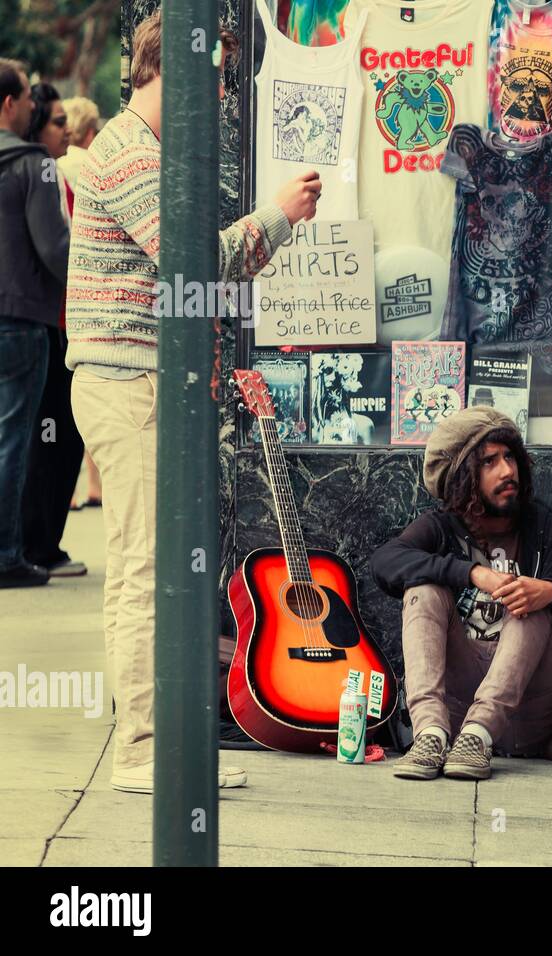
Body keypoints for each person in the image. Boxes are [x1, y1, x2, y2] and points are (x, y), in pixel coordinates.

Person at [64, 10, 322, 794]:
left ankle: (171, 748)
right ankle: (142, 752)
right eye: (210, 78)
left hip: (147, 385)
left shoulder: (149, 149)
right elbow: (196, 263)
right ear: (164, 70)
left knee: (168, 569)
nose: (217, 94)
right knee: (144, 571)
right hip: (128, 385)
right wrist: (278, 215)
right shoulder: (132, 153)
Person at [371, 406, 552, 781]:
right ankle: (428, 734)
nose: (507, 471)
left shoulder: (547, 531)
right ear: (463, 477)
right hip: (454, 718)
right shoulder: (442, 528)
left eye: (510, 457)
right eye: (489, 462)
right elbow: (385, 563)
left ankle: (480, 734)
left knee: (531, 602)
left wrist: (551, 593)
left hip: (527, 714)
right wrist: (472, 573)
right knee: (425, 590)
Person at [0, 59, 68, 589]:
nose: (31, 106)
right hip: (20, 320)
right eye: (26, 97)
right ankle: (7, 554)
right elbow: (56, 251)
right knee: (13, 440)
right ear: (8, 104)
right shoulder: (35, 164)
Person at [21, 82, 86, 578]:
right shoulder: (42, 171)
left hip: (48, 322)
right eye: (58, 121)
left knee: (46, 439)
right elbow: (56, 249)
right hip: (49, 322)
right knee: (51, 440)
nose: (67, 131)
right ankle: (38, 545)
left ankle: (38, 543)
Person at [59, 95, 103, 510]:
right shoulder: (87, 166)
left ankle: (85, 487)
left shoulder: (54, 166)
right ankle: (92, 485)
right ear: (91, 132)